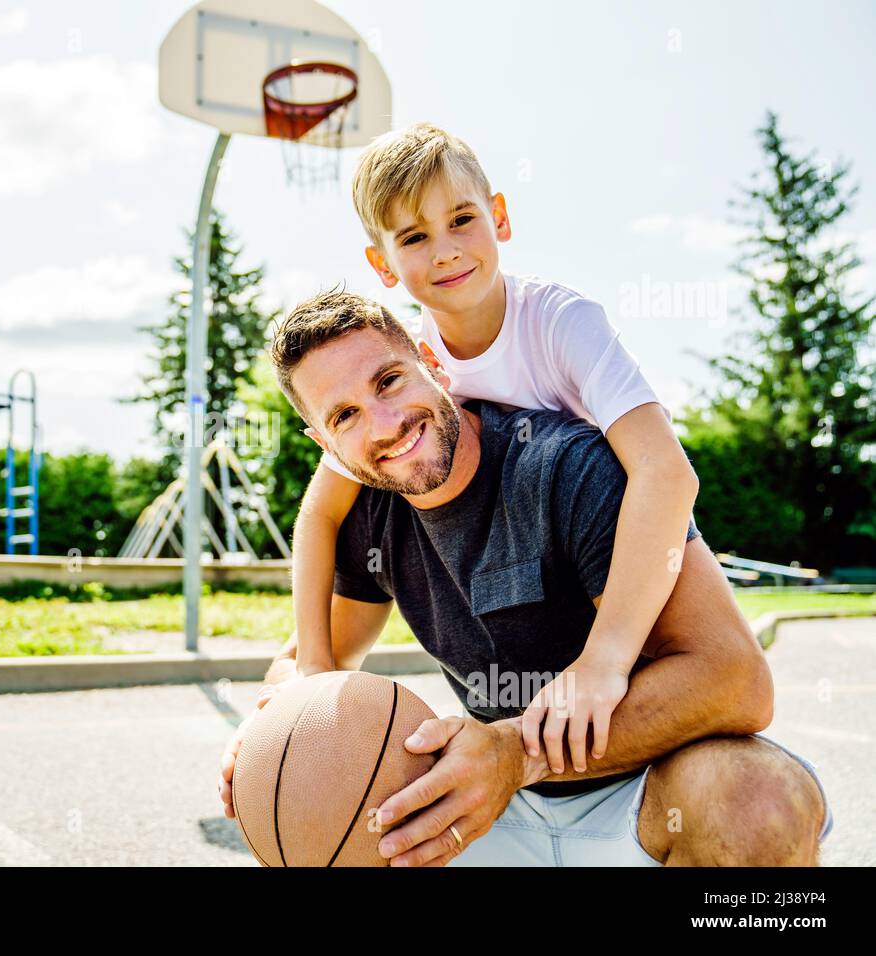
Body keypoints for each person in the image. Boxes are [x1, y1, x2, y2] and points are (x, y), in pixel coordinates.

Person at [219, 290, 833, 866]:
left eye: (388, 381)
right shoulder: (366, 515)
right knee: (323, 812)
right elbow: (306, 663)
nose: (384, 424)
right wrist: (274, 731)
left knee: (758, 800)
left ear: (430, 361)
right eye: (345, 415)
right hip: (491, 810)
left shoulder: (566, 467)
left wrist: (517, 753)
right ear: (322, 441)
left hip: (643, 794)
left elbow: (733, 678)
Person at [290, 123, 699, 772]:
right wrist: (310, 664)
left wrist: (606, 657)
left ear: (499, 216)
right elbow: (320, 513)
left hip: (605, 528)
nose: (446, 251)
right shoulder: (403, 368)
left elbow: (666, 473)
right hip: (515, 556)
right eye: (415, 237)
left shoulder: (562, 322)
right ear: (382, 264)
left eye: (461, 220)